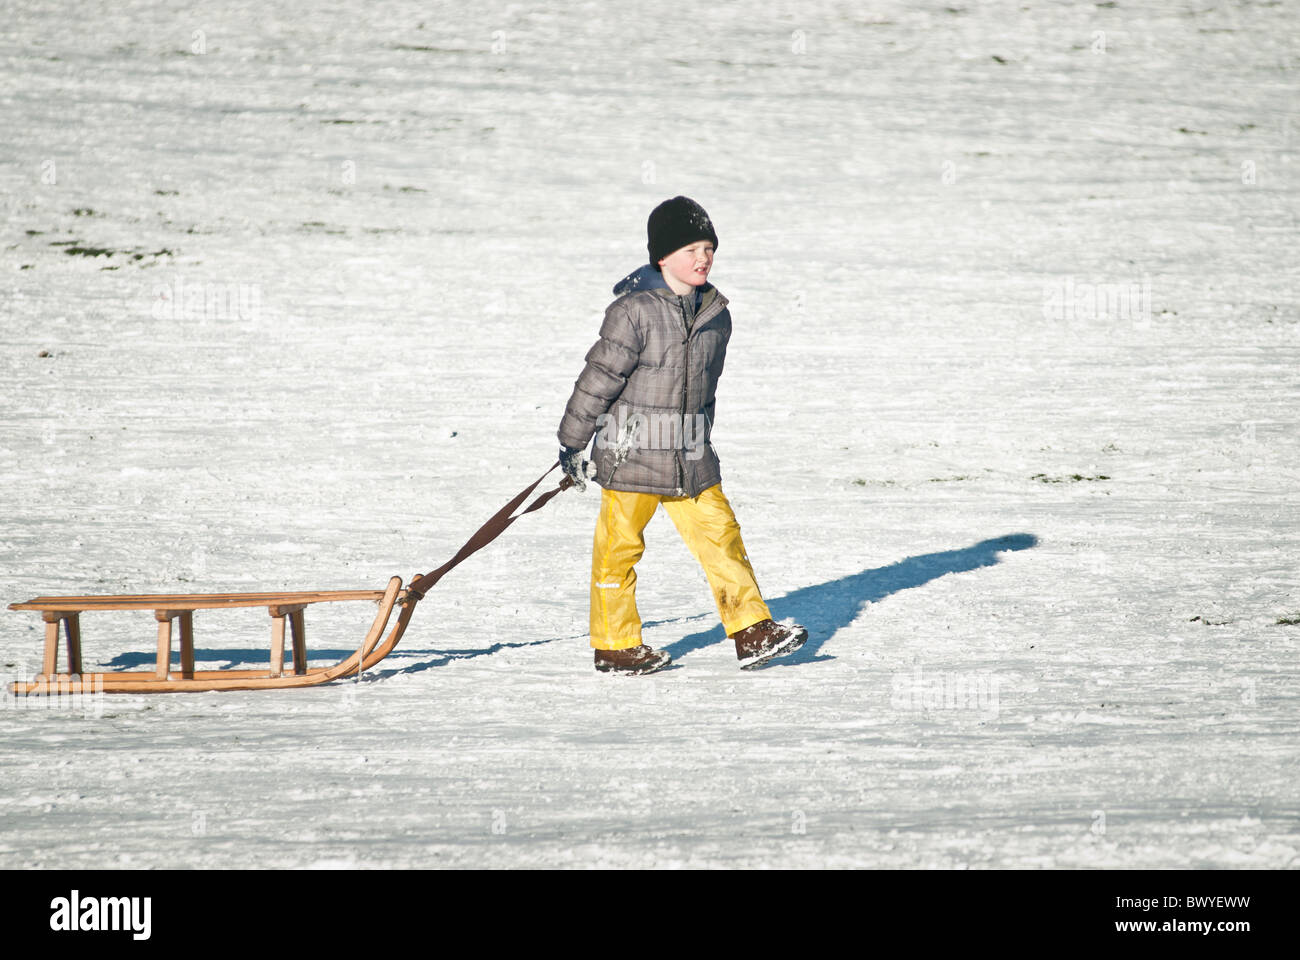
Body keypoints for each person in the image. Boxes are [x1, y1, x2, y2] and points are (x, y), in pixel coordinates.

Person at [557, 196, 807, 675]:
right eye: (691, 248)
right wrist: (572, 441)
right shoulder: (634, 312)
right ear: (662, 257)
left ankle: (752, 630)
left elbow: (705, 390)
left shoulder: (716, 314)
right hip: (630, 450)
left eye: (709, 248)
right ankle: (614, 644)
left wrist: (703, 436)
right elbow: (599, 376)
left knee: (721, 537)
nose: (702, 258)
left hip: (690, 452)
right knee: (619, 549)